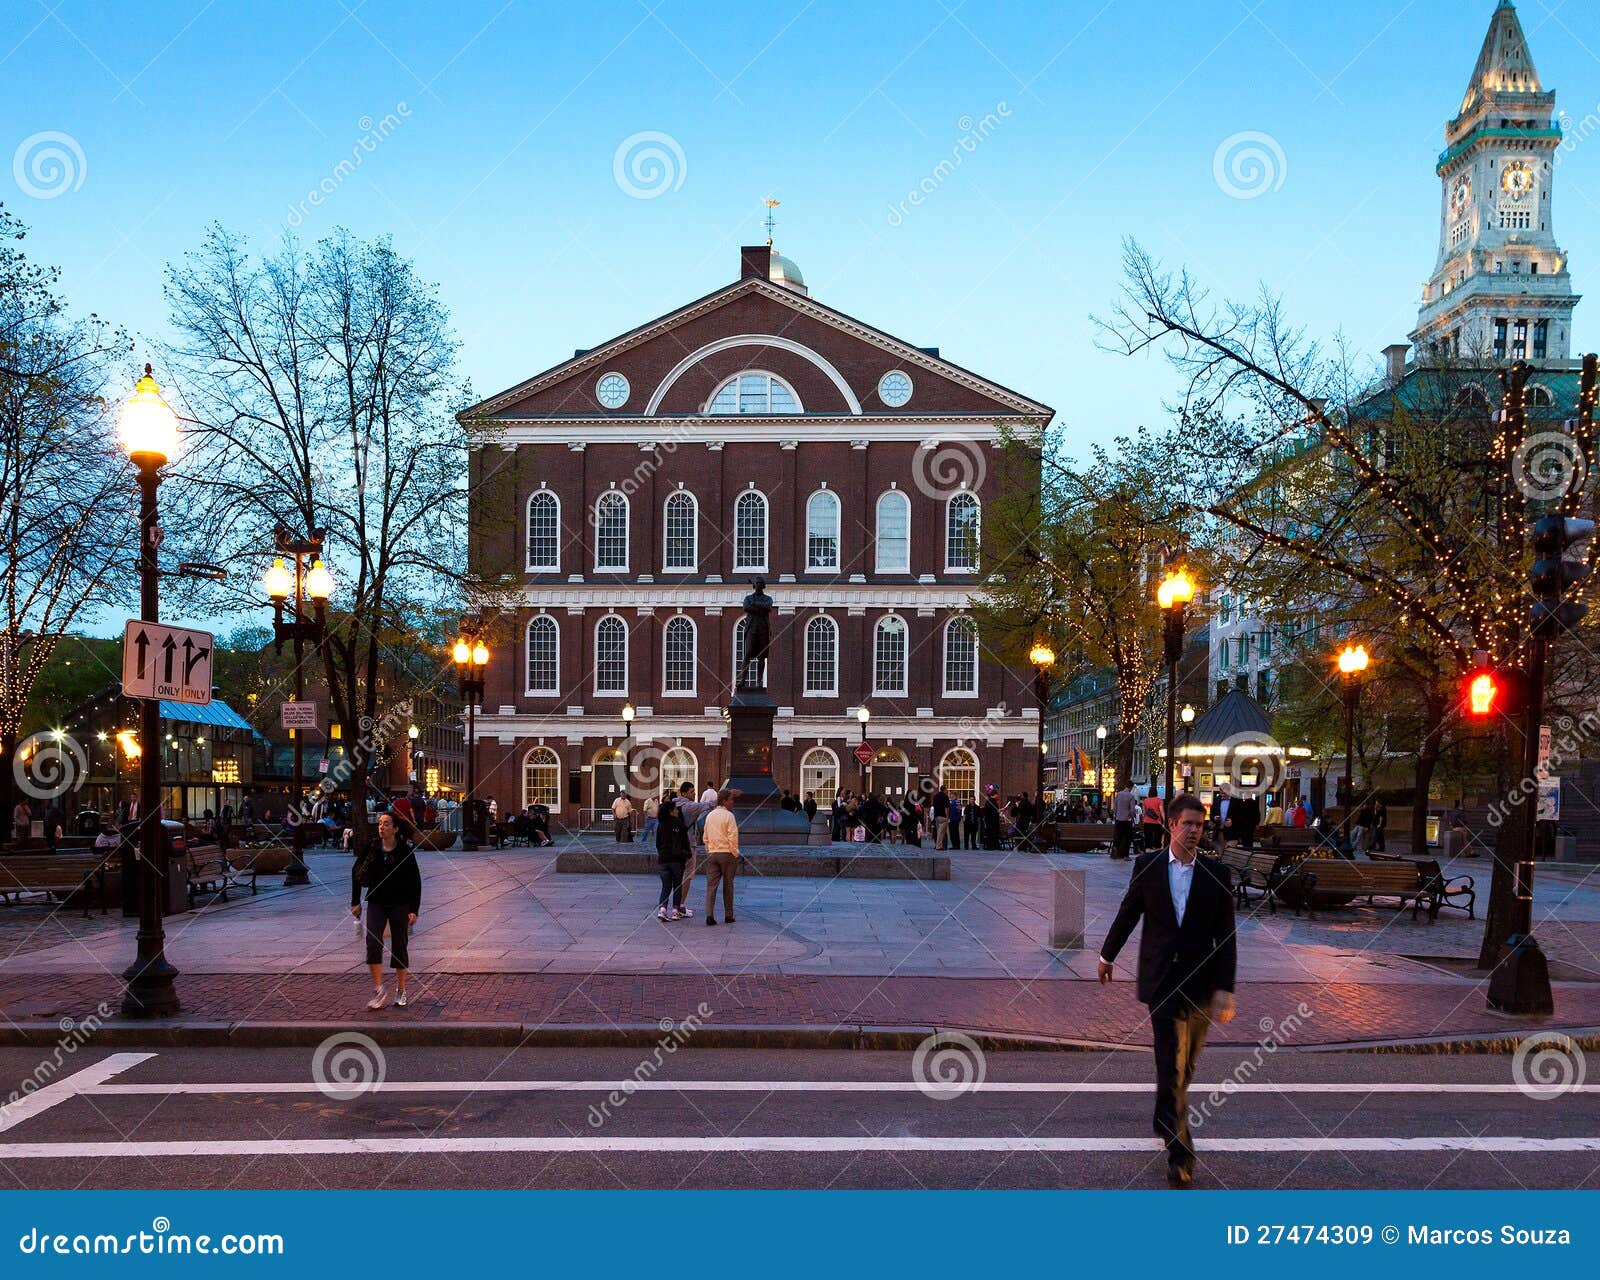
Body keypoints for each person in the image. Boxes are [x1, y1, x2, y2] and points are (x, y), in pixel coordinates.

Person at [1097, 792, 1236, 1187]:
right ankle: (1180, 1153)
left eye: (1200, 825)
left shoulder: (1216, 875)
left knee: (1185, 1067)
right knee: (1171, 1067)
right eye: (1188, 824)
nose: (1194, 831)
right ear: (1171, 825)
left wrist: (1226, 988)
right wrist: (1107, 956)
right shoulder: (1148, 866)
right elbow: (1128, 913)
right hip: (1161, 981)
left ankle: (1163, 1116)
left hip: (1201, 985)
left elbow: (1226, 937)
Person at [349, 811, 422, 1010]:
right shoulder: (372, 847)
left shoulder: (405, 852)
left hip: (400, 903)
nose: (382, 827)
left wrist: (414, 909)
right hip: (376, 902)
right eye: (380, 823)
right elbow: (356, 872)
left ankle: (401, 989)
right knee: (373, 942)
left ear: (396, 829)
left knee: (400, 945)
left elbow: (415, 883)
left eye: (387, 824)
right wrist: (355, 901)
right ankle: (379, 989)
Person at [702, 788, 740, 926]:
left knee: (711, 886)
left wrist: (709, 850)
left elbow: (705, 836)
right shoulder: (729, 816)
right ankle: (728, 915)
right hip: (727, 853)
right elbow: (733, 836)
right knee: (728, 885)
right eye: (731, 799)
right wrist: (734, 853)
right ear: (724, 801)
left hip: (712, 853)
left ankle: (709, 914)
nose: (733, 802)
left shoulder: (710, 815)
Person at [655, 796, 692, 921]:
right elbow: (685, 841)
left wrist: (662, 854)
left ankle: (663, 909)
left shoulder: (660, 824)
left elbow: (658, 844)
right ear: (671, 811)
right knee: (677, 885)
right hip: (677, 860)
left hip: (663, 860)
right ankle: (676, 910)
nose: (677, 811)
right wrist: (687, 854)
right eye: (676, 809)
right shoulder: (679, 823)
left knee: (665, 886)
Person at [1111, 782, 1138, 861]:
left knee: (1118, 837)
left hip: (1118, 819)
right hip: (1127, 820)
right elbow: (1132, 810)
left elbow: (1115, 807)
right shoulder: (1131, 796)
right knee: (1127, 838)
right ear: (1131, 787)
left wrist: (1116, 816)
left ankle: (1115, 852)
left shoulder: (1118, 794)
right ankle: (1125, 855)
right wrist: (1132, 817)